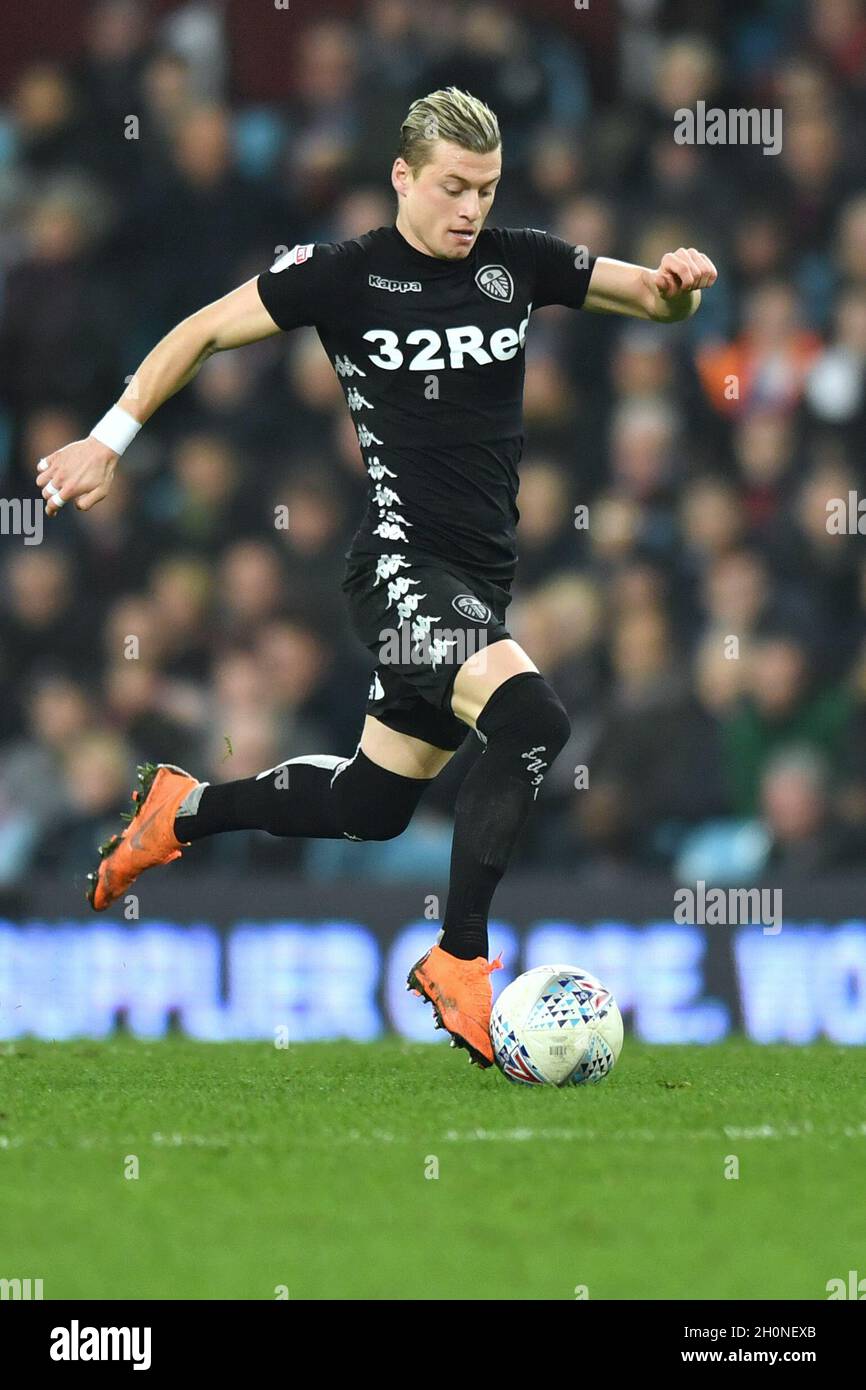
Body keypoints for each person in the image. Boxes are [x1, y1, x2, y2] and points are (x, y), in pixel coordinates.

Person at [35, 88, 717, 1067]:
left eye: (486, 189)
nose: (470, 208)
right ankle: (460, 958)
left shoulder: (518, 263)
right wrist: (109, 439)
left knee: (370, 806)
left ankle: (180, 811)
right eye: (453, 187)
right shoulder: (345, 275)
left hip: (476, 582)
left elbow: (652, 297)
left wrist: (681, 284)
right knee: (531, 719)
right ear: (402, 176)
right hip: (398, 567)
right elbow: (203, 331)